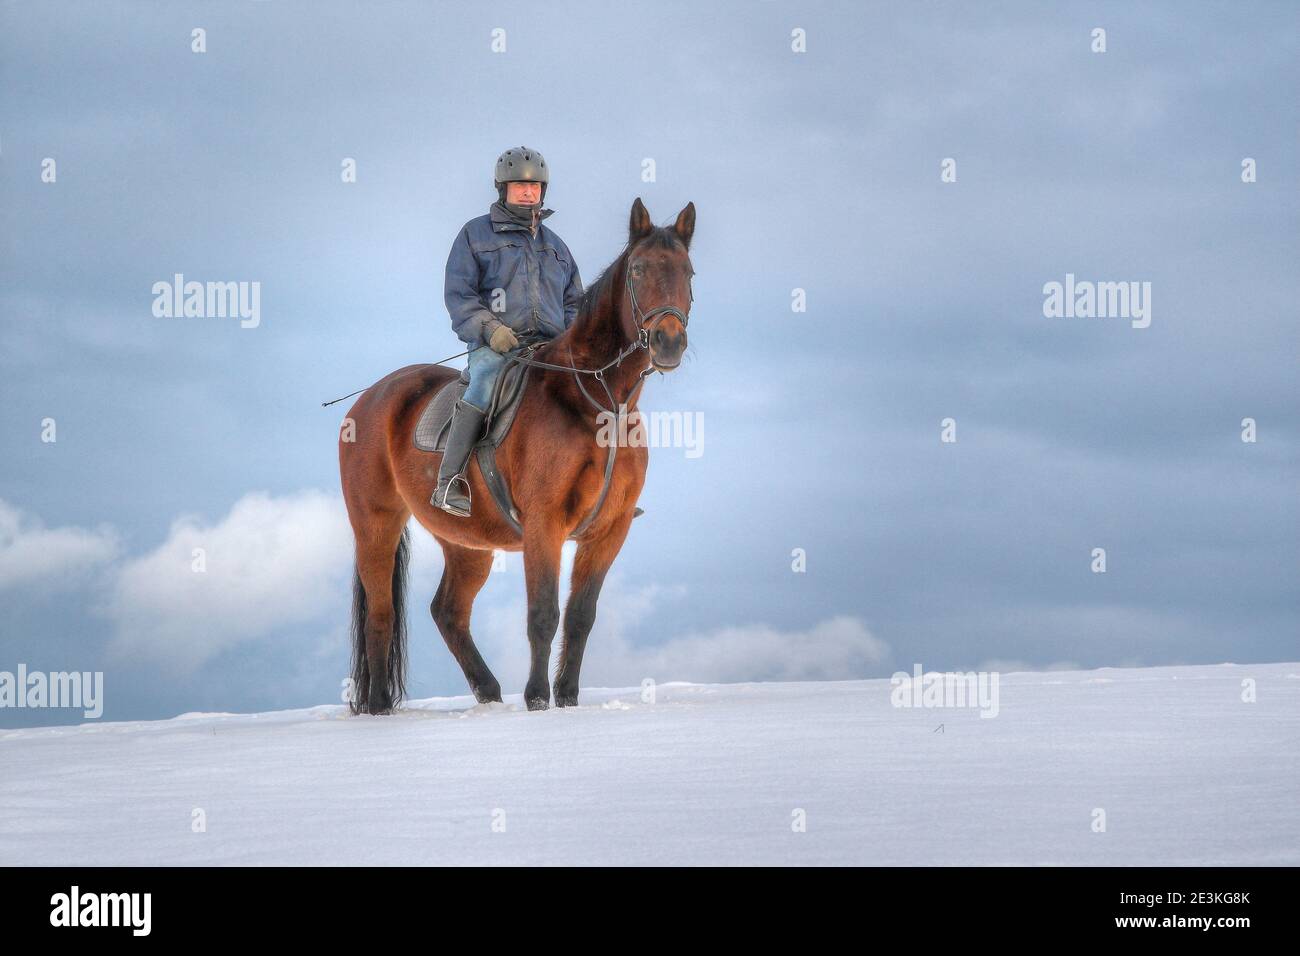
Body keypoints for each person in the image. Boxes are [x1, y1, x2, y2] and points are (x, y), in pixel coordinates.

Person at [432, 146, 584, 516]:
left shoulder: (557, 248)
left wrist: (571, 341)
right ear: (503, 188)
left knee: (590, 391)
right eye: (520, 186)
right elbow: (460, 295)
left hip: (549, 349)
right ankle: (448, 481)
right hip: (495, 345)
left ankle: (602, 485)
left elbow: (574, 302)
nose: (529, 193)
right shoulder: (475, 235)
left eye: (535, 187)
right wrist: (490, 329)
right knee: (483, 380)